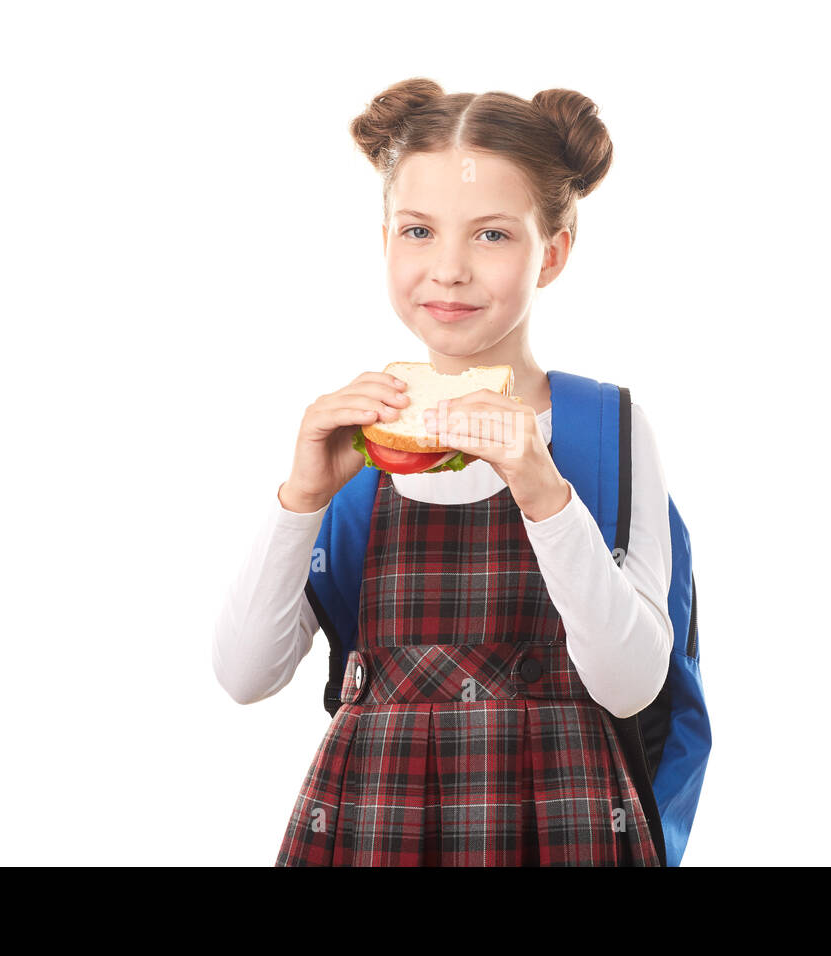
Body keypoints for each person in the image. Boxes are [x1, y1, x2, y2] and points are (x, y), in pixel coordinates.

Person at [213, 77, 677, 865]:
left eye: (492, 235)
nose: (450, 270)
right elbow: (245, 674)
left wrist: (546, 495)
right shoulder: (357, 437)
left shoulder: (604, 428)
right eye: (418, 231)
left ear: (553, 252)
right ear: (384, 239)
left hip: (558, 823)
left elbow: (631, 684)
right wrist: (300, 501)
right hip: (376, 823)